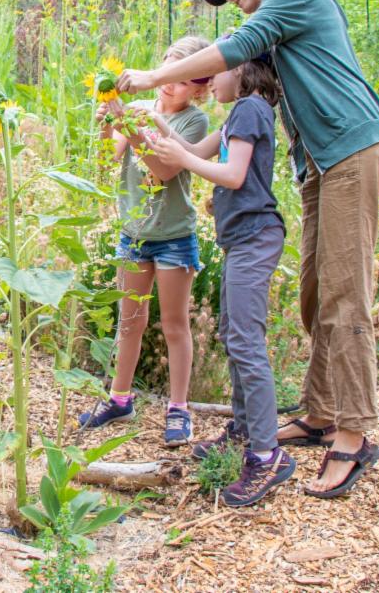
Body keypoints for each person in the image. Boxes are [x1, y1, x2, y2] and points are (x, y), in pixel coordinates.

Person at [116, 0, 379, 498]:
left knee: (345, 294)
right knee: (316, 295)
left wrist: (152, 76)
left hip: (351, 149)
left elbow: (234, 51)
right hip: (319, 165)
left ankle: (355, 430)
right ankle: (319, 412)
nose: (232, 1)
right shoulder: (272, 21)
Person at [150, 50, 295, 506]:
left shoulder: (252, 108)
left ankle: (267, 455)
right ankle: (244, 429)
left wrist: (183, 159)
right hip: (242, 238)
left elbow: (232, 176)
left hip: (255, 235)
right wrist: (146, 124)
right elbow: (191, 152)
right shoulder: (239, 113)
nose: (211, 81)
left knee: (246, 342)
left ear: (245, 69)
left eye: (220, 71)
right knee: (235, 336)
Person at [79, 36, 211, 448]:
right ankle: (120, 398)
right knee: (129, 322)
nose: (170, 85)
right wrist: (106, 122)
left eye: (184, 79)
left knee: (174, 325)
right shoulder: (144, 110)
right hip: (134, 234)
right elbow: (107, 159)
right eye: (168, 71)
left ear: (199, 89)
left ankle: (178, 408)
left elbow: (164, 168)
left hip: (173, 236)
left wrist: (129, 125)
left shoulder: (192, 122)